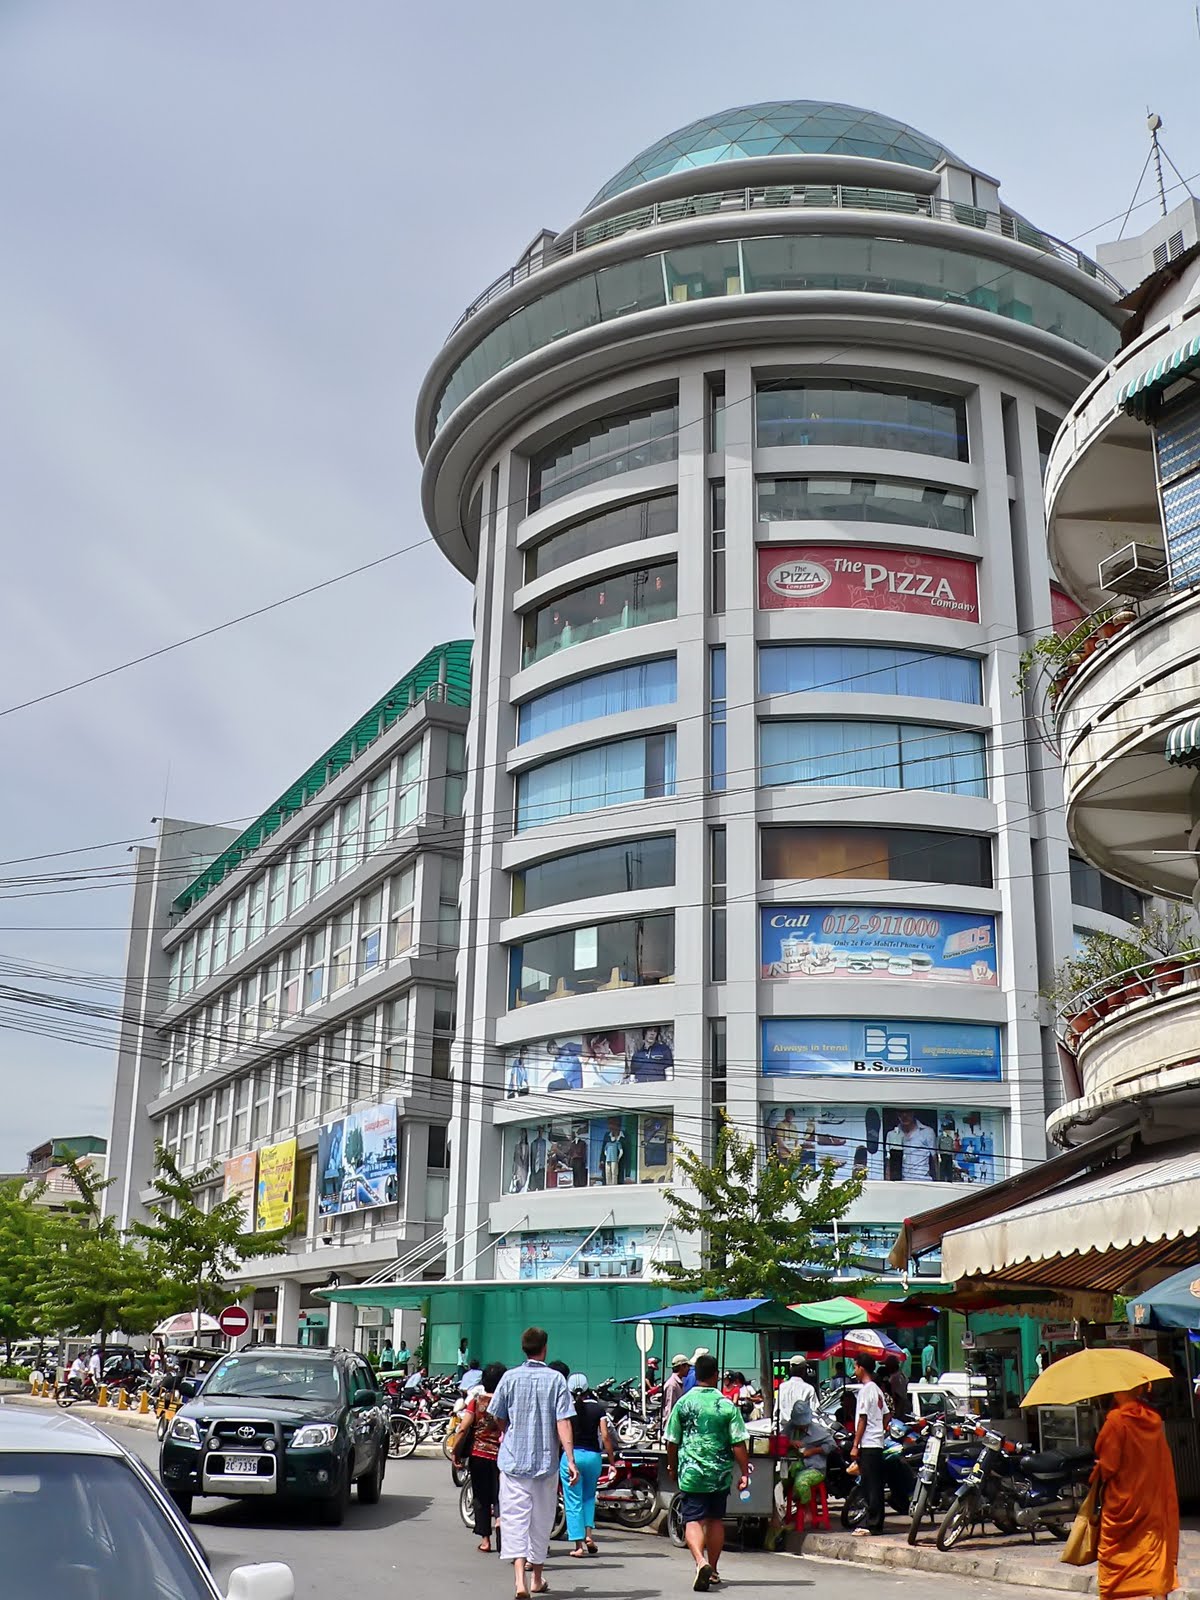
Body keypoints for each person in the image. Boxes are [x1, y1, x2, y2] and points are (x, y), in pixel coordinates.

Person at [487, 1327, 578, 1600]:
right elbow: (563, 1421)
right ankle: (537, 1577)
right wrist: (570, 1459)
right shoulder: (557, 1381)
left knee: (514, 1520)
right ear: (545, 1348)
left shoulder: (509, 1378)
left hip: (513, 1461)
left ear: (523, 1347)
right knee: (540, 1521)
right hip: (545, 1462)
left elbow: (497, 1416)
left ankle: (519, 1581)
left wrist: (511, 1430)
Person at [665, 1352, 750, 1592]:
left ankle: (700, 1562)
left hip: (692, 1471)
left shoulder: (683, 1403)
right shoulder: (726, 1404)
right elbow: (738, 1444)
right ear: (715, 1375)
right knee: (714, 1520)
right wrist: (744, 1472)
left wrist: (672, 1466)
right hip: (720, 1474)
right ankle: (712, 1568)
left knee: (693, 1519)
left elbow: (671, 1441)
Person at [1093, 1385, 1179, 1600]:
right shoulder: (1153, 1419)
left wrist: (1098, 1467)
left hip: (1123, 1501)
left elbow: (1110, 1466)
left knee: (1116, 1556)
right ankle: (1158, 1595)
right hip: (1152, 1497)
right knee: (1153, 1552)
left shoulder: (1115, 1421)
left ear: (1117, 1392)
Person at [561, 1374, 615, 1558]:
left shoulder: (566, 1409)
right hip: (593, 1457)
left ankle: (578, 1545)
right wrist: (612, 1461)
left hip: (572, 1456)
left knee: (573, 1500)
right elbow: (606, 1436)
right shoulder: (598, 1409)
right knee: (589, 1497)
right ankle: (589, 1536)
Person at [461, 1362, 507, 1554]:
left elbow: (464, 1427)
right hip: (502, 1456)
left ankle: (486, 1541)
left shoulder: (477, 1401)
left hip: (478, 1455)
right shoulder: (506, 1402)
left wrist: (456, 1451)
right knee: (501, 1496)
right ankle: (499, 1524)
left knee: (481, 1496)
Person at [851, 1354, 889, 1536]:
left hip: (869, 1443)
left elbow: (862, 1419)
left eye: (855, 1366)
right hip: (877, 1442)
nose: (854, 1370)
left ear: (861, 1368)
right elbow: (888, 1414)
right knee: (873, 1484)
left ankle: (873, 1524)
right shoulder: (877, 1390)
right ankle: (873, 1521)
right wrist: (880, 1428)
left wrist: (855, 1444)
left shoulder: (866, 1390)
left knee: (871, 1486)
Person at [786, 1399, 833, 1508]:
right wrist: (791, 1443)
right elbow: (780, 1439)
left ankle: (806, 1510)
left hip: (815, 1468)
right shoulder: (790, 1427)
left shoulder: (818, 1430)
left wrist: (813, 1451)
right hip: (794, 1466)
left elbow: (831, 1445)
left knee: (801, 1482)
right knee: (778, 1480)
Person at [775, 1355, 817, 1429]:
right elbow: (814, 1412)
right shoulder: (808, 1389)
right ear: (803, 1370)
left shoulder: (782, 1387)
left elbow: (776, 1411)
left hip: (784, 1430)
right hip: (802, 1432)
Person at [662, 1353, 690, 1420]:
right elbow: (670, 1409)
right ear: (681, 1366)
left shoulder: (678, 1383)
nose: (689, 1369)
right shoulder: (672, 1385)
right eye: (687, 1366)